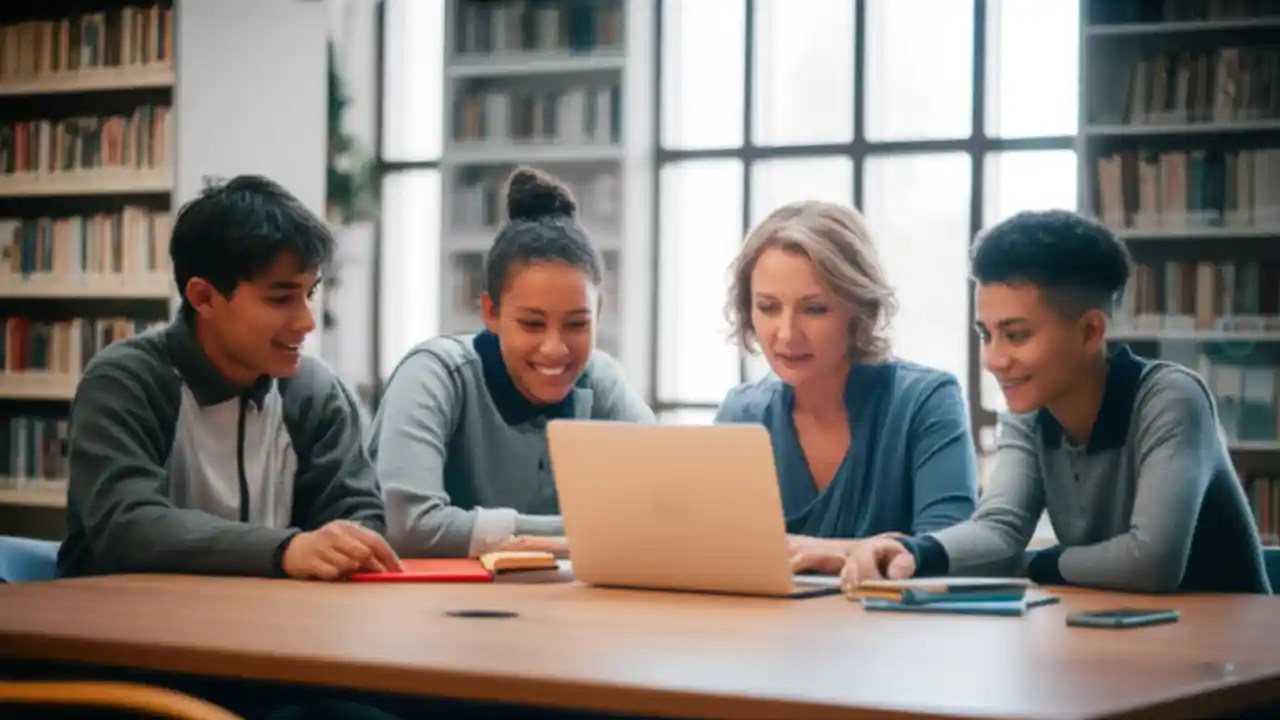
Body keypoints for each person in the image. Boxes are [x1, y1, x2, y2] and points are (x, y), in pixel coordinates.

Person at [839, 210, 1271, 594]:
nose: (994, 360)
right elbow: (1000, 529)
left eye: (1017, 335)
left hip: (1227, 661)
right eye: (986, 334)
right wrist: (914, 552)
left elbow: (1151, 561)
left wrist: (1033, 564)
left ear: (1089, 332)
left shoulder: (1171, 399)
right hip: (1120, 640)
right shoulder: (1030, 413)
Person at [58, 175, 401, 580]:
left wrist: (347, 545)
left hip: (269, 626)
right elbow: (126, 526)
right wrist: (285, 550)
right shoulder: (127, 381)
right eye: (280, 298)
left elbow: (357, 516)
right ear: (203, 297)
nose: (307, 322)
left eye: (309, 294)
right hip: (121, 626)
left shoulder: (313, 391)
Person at [368, 166, 654, 558]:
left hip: (551, 605)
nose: (554, 348)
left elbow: (664, 508)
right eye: (532, 324)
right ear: (490, 311)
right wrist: (579, 534)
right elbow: (410, 526)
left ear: (599, 312)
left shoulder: (600, 380)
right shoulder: (434, 375)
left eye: (577, 323)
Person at [713, 201, 978, 571]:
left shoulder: (926, 401)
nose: (787, 334)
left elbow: (950, 549)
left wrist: (813, 551)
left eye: (814, 309)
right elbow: (719, 552)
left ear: (859, 309)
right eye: (768, 307)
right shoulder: (741, 413)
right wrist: (852, 551)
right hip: (768, 628)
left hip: (894, 627)